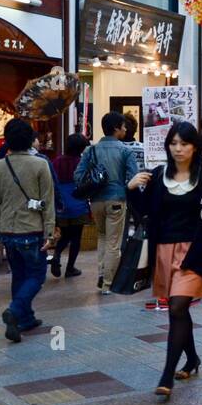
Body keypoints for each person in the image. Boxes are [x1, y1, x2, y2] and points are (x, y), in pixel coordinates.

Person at [128, 121, 202, 399]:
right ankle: (192, 358)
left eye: (184, 143)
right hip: (162, 251)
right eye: (173, 143)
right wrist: (132, 189)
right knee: (177, 310)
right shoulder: (159, 176)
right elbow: (144, 213)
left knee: (178, 306)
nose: (178, 149)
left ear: (195, 147)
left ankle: (166, 375)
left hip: (194, 251)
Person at [0, 118, 58, 342]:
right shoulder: (40, 164)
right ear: (30, 139)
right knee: (37, 275)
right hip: (32, 230)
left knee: (18, 275)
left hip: (8, 230)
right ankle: (15, 310)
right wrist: (49, 233)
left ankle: (25, 319)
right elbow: (48, 201)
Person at [75, 111, 136, 294]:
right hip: (117, 199)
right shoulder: (126, 150)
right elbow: (133, 177)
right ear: (116, 128)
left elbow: (78, 176)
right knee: (113, 242)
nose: (125, 129)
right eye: (123, 126)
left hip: (95, 200)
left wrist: (94, 179)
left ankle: (102, 273)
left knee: (102, 236)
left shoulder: (91, 150)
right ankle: (108, 283)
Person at [50, 133, 90, 278]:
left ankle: (56, 254)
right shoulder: (81, 162)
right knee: (76, 238)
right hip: (78, 203)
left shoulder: (56, 161)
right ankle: (70, 268)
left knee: (65, 235)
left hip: (61, 204)